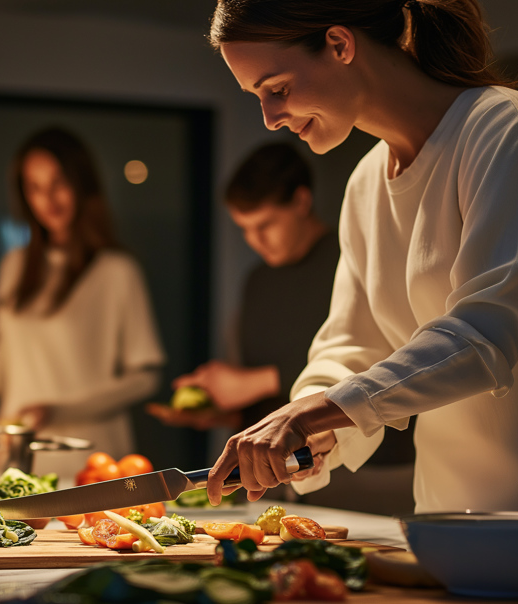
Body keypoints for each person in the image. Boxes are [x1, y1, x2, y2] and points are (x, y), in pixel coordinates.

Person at [204, 0, 518, 515]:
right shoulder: (367, 180)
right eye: (258, 97)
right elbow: (351, 344)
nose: (271, 118)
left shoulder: (507, 127)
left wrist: (315, 412)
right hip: (443, 514)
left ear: (340, 45)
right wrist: (315, 425)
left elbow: (484, 336)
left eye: (276, 87)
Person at [150, 142, 415, 513]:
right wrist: (223, 409)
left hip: (373, 466)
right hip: (280, 468)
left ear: (302, 202)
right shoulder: (257, 280)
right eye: (244, 228)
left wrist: (249, 382)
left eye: (265, 224)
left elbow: (384, 355)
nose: (255, 240)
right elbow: (274, 376)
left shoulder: (351, 260)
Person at [0, 127, 166, 484]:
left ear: (81, 184)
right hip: (16, 462)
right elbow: (6, 354)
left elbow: (145, 377)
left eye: (58, 182)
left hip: (90, 466)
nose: (48, 198)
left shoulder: (117, 271)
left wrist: (61, 409)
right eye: (35, 187)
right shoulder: (14, 266)